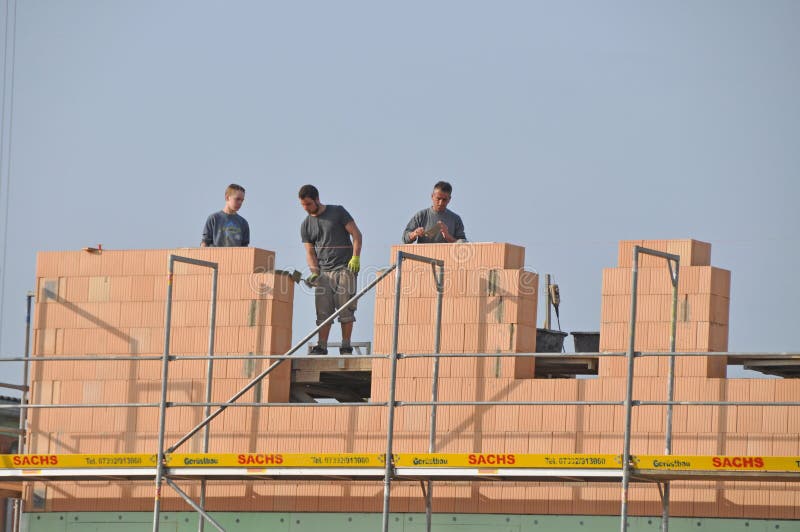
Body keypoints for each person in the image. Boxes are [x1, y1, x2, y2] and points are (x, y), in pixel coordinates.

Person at [299, 185, 363, 355]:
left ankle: (346, 345)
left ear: (317, 199)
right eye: (303, 205)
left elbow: (356, 235)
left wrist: (356, 257)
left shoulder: (338, 212)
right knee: (322, 311)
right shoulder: (306, 224)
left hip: (344, 268)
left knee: (346, 308)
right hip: (323, 273)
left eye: (308, 204)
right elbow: (310, 252)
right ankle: (322, 346)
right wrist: (314, 273)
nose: (306, 208)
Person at [402, 181, 467, 244]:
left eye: (444, 200)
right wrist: (414, 234)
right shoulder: (421, 216)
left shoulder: (456, 219)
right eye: (438, 198)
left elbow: (464, 245)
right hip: (423, 255)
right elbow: (405, 238)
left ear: (449, 199)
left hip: (446, 255)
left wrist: (448, 236)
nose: (441, 203)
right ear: (432, 196)